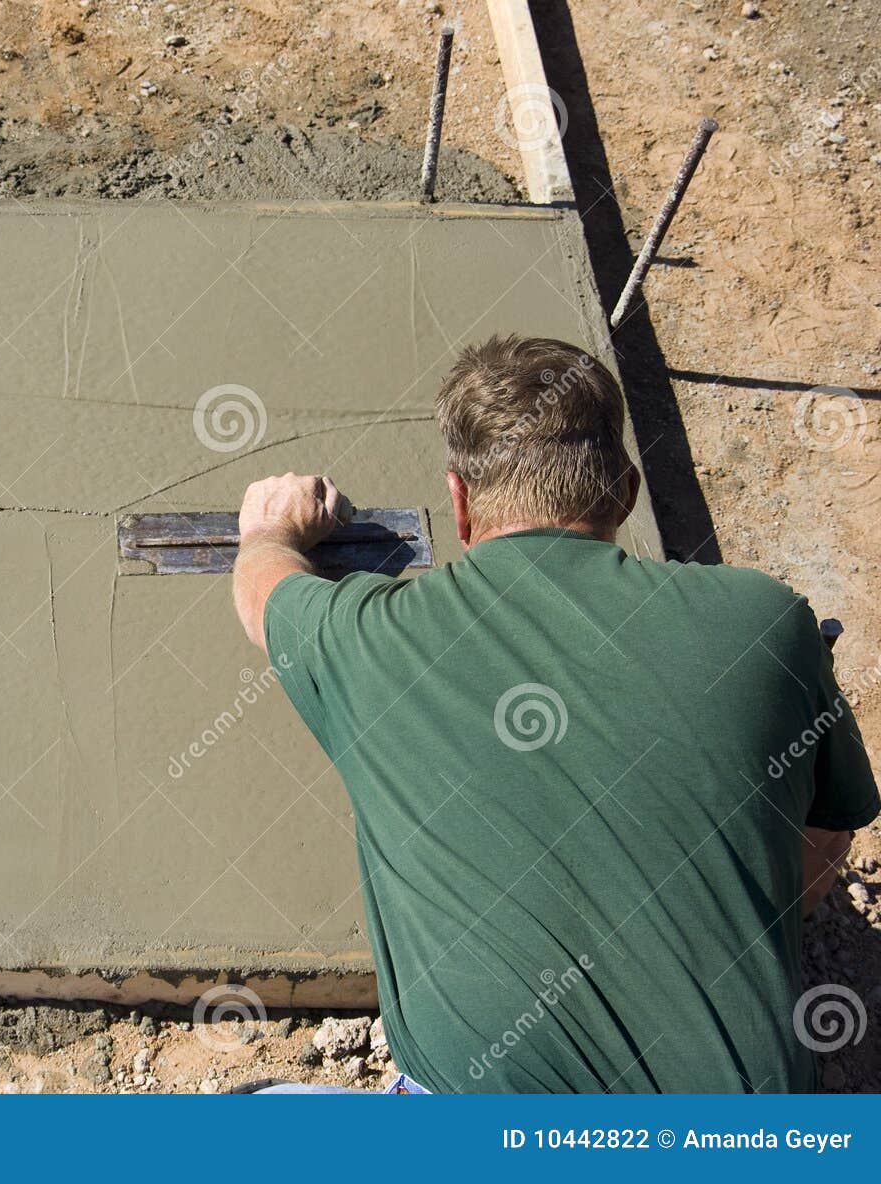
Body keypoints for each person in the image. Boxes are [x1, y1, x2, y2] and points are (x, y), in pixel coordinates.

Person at [231, 335, 877, 1092]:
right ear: (626, 491)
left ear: (460, 502)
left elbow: (261, 592)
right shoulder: (766, 621)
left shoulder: (369, 635)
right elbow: (828, 834)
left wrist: (270, 529)